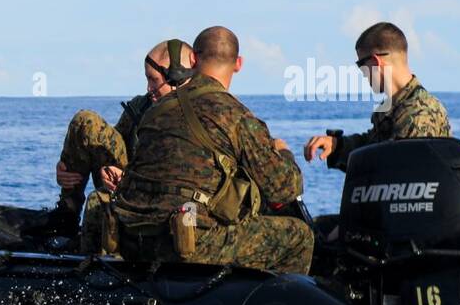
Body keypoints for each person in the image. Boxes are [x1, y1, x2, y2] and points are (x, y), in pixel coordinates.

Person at [113, 26, 314, 274]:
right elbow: (284, 189)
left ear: (194, 60)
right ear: (238, 64)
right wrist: (283, 152)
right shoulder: (236, 115)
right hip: (185, 245)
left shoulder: (155, 110)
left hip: (133, 239)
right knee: (299, 237)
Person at [53, 39, 196, 253]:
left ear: (175, 76)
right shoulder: (142, 105)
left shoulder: (196, 113)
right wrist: (68, 169)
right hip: (130, 180)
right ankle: (65, 218)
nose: (149, 88)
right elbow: (112, 145)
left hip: (164, 193)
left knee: (97, 201)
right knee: (85, 121)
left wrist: (130, 180)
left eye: (153, 80)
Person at [303, 21, 451, 170]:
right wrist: (336, 145)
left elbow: (395, 174)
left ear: (375, 63)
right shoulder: (396, 107)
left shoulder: (419, 114)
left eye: (361, 64)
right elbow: (372, 146)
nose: (362, 74)